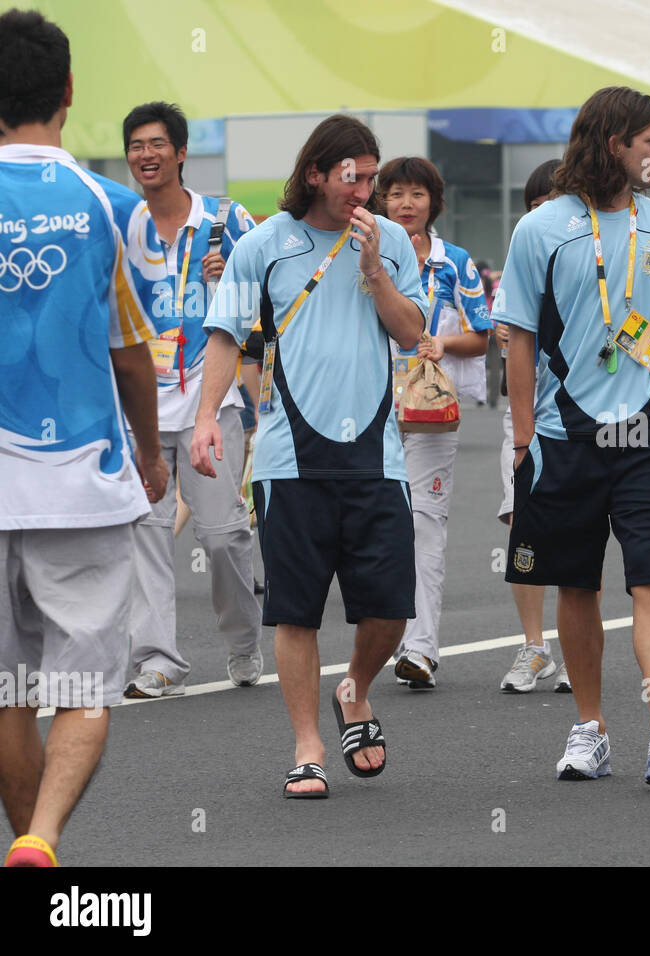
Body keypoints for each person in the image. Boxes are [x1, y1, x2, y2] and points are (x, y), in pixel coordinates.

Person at [193, 114, 427, 798]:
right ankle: (307, 747)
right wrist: (207, 417)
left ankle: (354, 690)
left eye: (371, 175)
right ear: (317, 173)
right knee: (295, 611)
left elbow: (413, 334)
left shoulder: (389, 242)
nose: (364, 187)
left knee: (390, 607)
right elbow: (225, 334)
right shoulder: (263, 244)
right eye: (352, 173)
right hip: (288, 459)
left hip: (377, 457)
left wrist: (375, 270)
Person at [496, 86, 650, 785]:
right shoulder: (541, 229)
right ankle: (590, 728)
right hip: (563, 439)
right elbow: (519, 342)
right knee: (576, 585)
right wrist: (525, 440)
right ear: (612, 143)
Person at [0, 8, 167, 866]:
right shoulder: (108, 206)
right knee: (83, 687)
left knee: (5, 693)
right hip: (81, 480)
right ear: (68, 92)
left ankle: (28, 845)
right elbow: (133, 356)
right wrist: (150, 449)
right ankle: (43, 838)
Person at [117, 101, 263, 698]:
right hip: (141, 407)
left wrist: (230, 275)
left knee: (223, 535)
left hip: (211, 401)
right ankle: (158, 661)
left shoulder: (229, 221)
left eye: (156, 144)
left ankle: (244, 640)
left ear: (180, 153)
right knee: (144, 532)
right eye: (135, 146)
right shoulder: (121, 223)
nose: (144, 155)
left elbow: (265, 305)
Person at [380, 156, 492, 691]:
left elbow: (483, 334)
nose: (406, 204)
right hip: (367, 408)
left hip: (427, 411)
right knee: (380, 524)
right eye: (396, 194)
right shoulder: (364, 253)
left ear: (433, 202)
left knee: (425, 521)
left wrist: (443, 343)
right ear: (381, 201)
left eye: (417, 195)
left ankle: (421, 649)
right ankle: (385, 635)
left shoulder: (455, 263)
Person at [496, 157, 574, 694]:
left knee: (576, 532)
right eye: (534, 205)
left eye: (553, 203)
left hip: (581, 420)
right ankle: (534, 646)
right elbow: (505, 334)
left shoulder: (601, 262)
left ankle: (573, 652)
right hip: (527, 416)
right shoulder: (521, 263)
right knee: (523, 523)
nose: (542, 214)